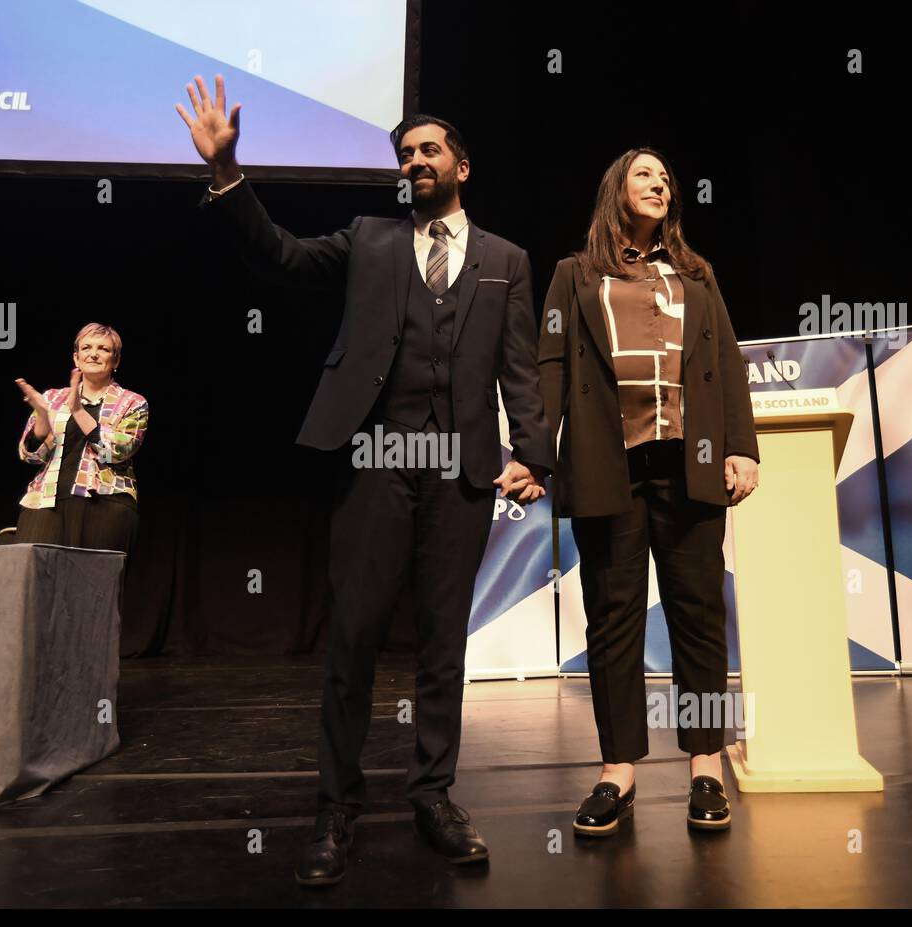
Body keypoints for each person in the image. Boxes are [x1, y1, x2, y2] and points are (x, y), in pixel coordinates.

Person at [177, 75, 554, 884]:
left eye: (428, 150)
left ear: (462, 165)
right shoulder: (369, 239)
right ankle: (335, 810)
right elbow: (278, 254)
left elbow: (520, 368)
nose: (415, 161)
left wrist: (534, 450)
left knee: (443, 645)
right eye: (405, 153)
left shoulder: (509, 261)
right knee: (352, 637)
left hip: (460, 470)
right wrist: (226, 173)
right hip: (377, 459)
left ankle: (434, 797)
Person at [538, 148, 760, 834]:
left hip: (689, 465)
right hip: (608, 464)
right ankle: (618, 771)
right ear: (617, 190)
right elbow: (549, 365)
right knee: (613, 615)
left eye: (666, 178)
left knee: (698, 612)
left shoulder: (696, 276)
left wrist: (741, 449)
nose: (661, 183)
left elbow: (724, 360)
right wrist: (532, 454)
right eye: (646, 174)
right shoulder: (574, 275)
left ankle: (705, 765)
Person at [13, 323, 147, 557]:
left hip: (105, 505)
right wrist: (43, 417)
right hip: (46, 502)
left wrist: (77, 410)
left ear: (115, 361)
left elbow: (114, 454)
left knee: (91, 588)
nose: (94, 353)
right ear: (76, 358)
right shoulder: (52, 398)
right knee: (36, 584)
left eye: (104, 349)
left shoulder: (132, 402)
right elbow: (32, 456)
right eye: (86, 347)